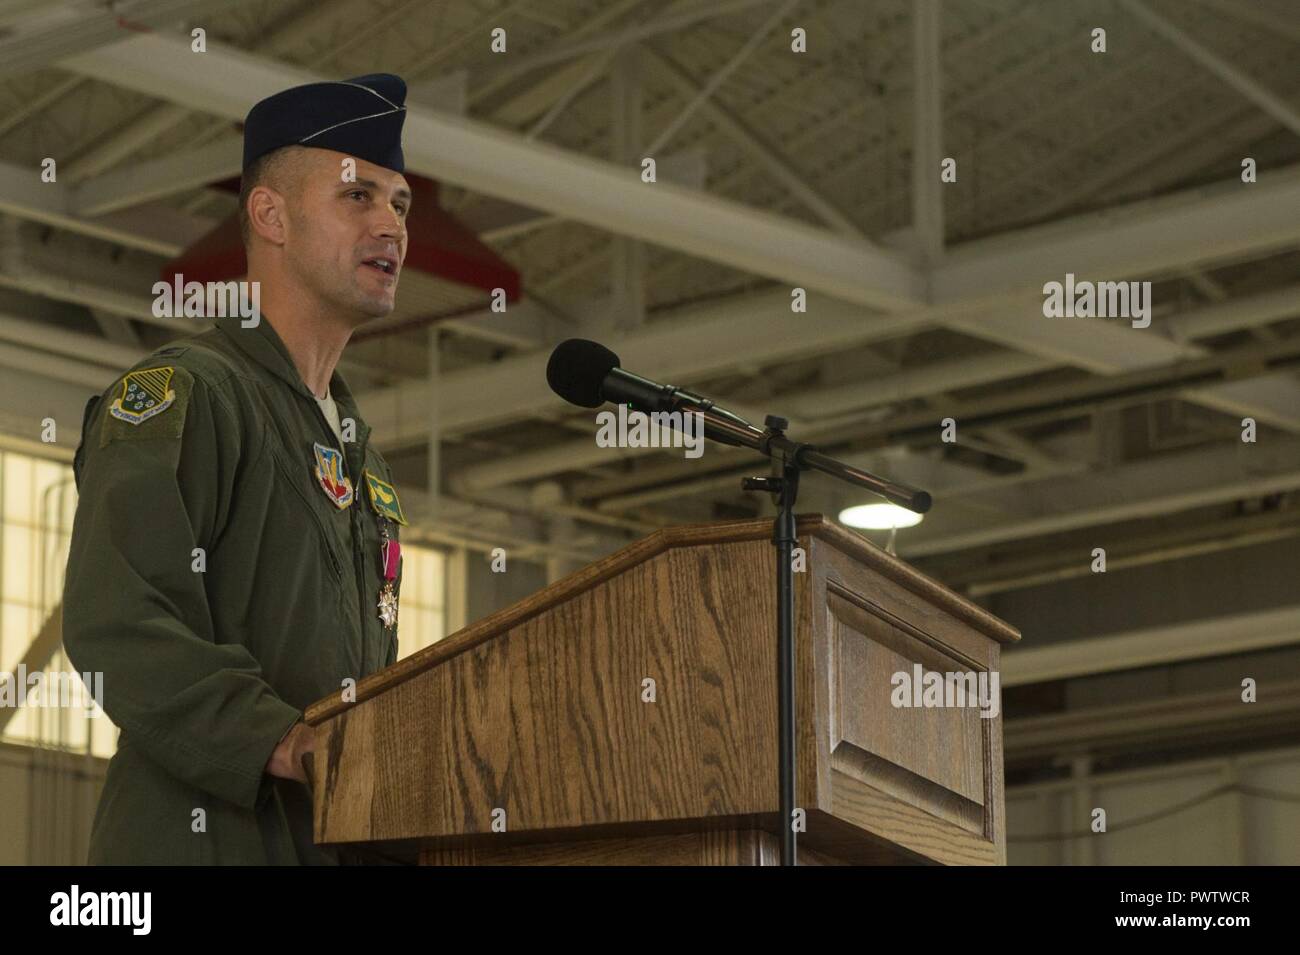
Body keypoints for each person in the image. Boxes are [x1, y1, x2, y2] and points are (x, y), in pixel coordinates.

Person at [62, 73, 414, 864]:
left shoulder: (365, 460)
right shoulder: (188, 397)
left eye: (401, 204)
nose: (389, 223)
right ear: (270, 214)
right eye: (358, 197)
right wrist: (281, 741)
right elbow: (116, 619)